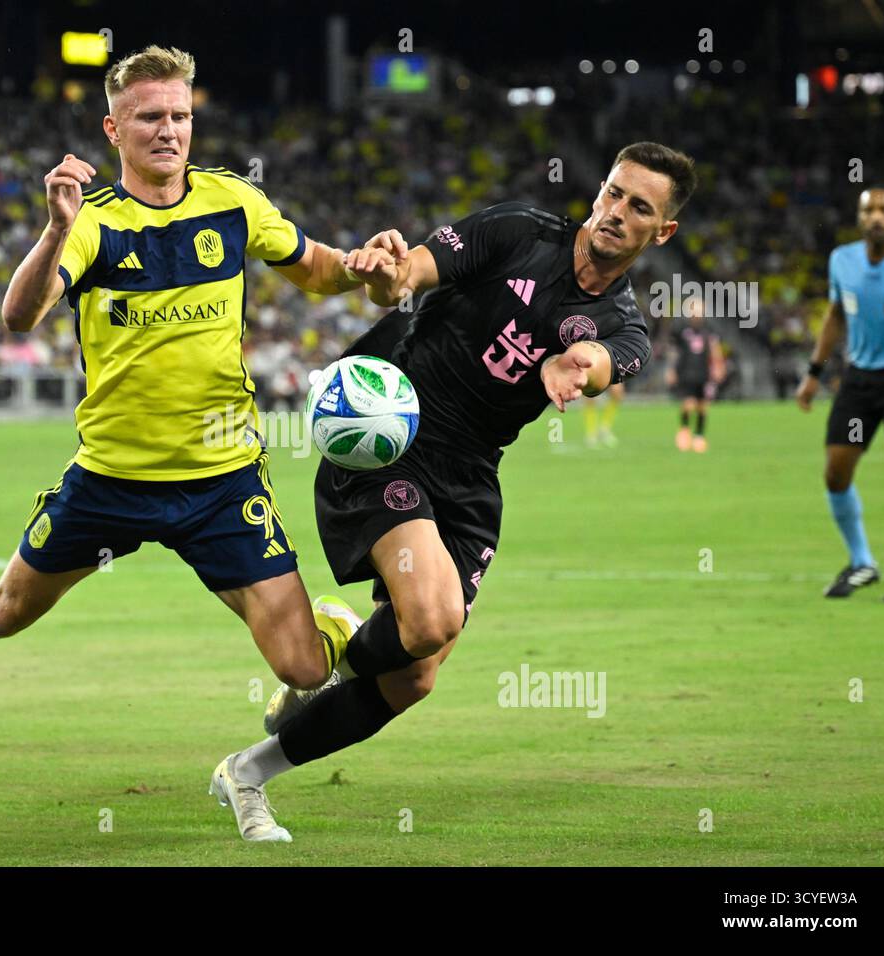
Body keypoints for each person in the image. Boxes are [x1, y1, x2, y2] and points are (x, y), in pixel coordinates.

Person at [0, 46, 395, 842]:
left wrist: (365, 265)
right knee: (6, 611)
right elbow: (18, 317)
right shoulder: (93, 222)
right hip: (110, 480)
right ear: (113, 128)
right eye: (150, 117)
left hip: (222, 479)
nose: (169, 131)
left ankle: (327, 622)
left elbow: (318, 269)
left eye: (180, 116)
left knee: (306, 669)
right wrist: (55, 229)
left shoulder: (235, 202)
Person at [214, 143, 697, 841]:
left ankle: (248, 772)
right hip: (391, 432)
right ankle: (339, 649)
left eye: (640, 207)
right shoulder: (519, 232)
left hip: (470, 476)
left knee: (416, 675)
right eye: (615, 194)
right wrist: (385, 273)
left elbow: (601, 360)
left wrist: (576, 364)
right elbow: (409, 275)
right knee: (433, 619)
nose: (618, 213)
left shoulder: (625, 327)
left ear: (664, 232)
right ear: (599, 191)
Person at [796, 188, 884, 600]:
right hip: (860, 380)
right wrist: (813, 373)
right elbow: (835, 315)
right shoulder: (842, 260)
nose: (876, 217)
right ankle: (862, 563)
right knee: (836, 472)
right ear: (860, 219)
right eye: (868, 210)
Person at [666, 295, 725, 452]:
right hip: (685, 372)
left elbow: (715, 349)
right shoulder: (681, 328)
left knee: (702, 407)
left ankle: (699, 436)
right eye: (695, 310)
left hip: (704, 373)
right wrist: (671, 369)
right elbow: (674, 351)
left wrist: (718, 367)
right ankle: (684, 431)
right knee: (687, 404)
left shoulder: (709, 329)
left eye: (700, 310)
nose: (697, 313)